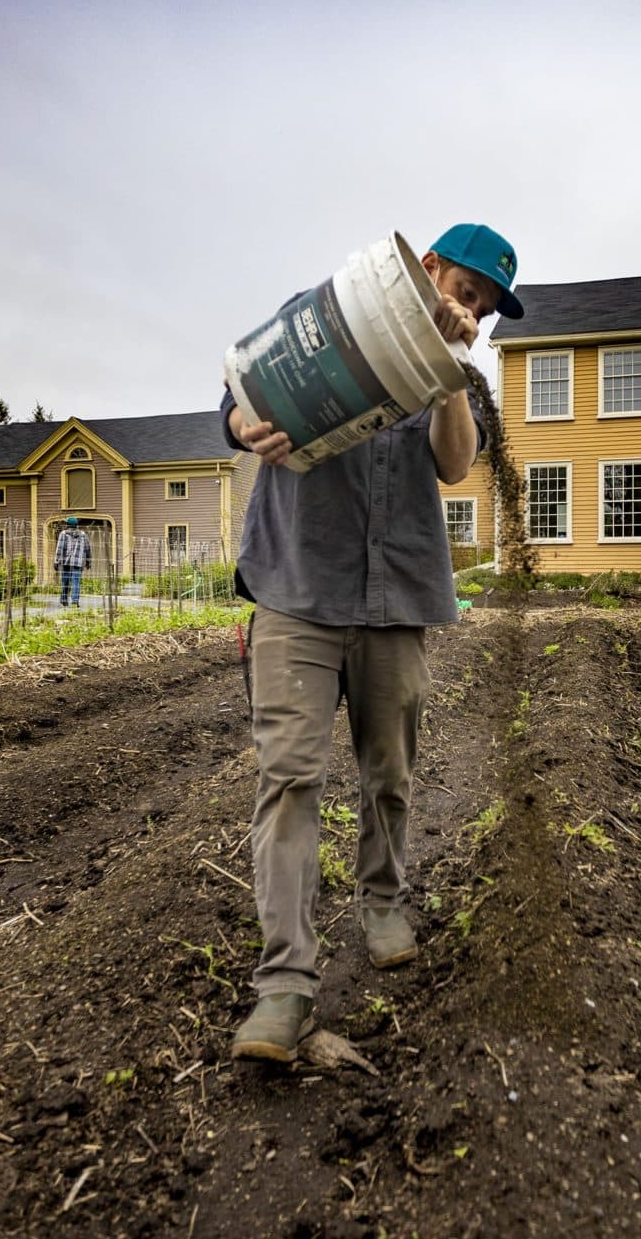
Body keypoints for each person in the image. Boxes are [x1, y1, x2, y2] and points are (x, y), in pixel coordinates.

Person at [221, 223, 525, 1063]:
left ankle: (383, 901)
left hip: (396, 597)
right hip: (298, 593)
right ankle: (284, 984)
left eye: (483, 308)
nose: (470, 310)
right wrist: (250, 424)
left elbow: (456, 466)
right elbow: (240, 394)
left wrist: (452, 373)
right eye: (463, 291)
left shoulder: (457, 375)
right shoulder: (335, 312)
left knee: (389, 770)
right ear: (428, 267)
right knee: (289, 779)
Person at [54, 516, 91, 607]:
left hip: (66, 562)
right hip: (78, 563)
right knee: (76, 581)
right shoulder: (82, 534)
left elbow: (59, 548)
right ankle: (75, 601)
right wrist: (88, 561)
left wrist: (56, 561)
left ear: (68, 525)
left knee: (65, 581)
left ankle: (64, 599)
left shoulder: (63, 534)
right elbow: (87, 549)